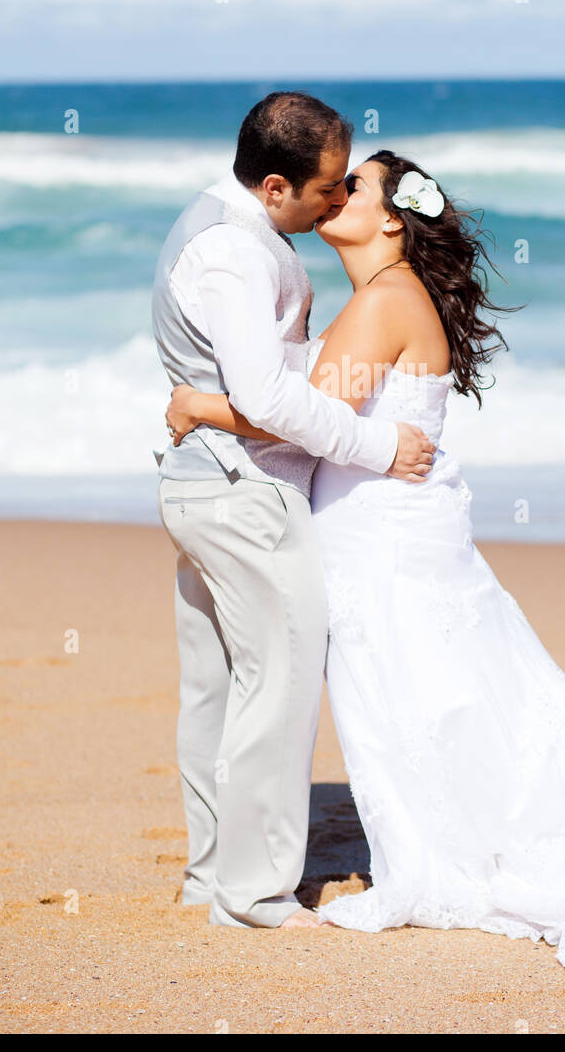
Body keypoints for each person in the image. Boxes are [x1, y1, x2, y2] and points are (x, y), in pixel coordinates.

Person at [166, 147, 565, 981]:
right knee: (451, 684)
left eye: (351, 186)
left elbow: (291, 417)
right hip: (397, 524)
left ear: (393, 218)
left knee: (419, 687)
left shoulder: (383, 303)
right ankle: (476, 833)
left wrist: (196, 403)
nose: (334, 194)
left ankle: (465, 850)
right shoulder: (390, 297)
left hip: (385, 535)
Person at [152, 96, 435, 932]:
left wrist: (202, 405)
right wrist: (381, 447)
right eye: (325, 187)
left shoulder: (220, 226)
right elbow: (268, 395)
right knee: (275, 687)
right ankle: (253, 895)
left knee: (216, 687)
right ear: (275, 186)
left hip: (205, 484)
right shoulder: (238, 254)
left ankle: (212, 878)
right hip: (244, 493)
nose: (336, 198)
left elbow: (266, 376)